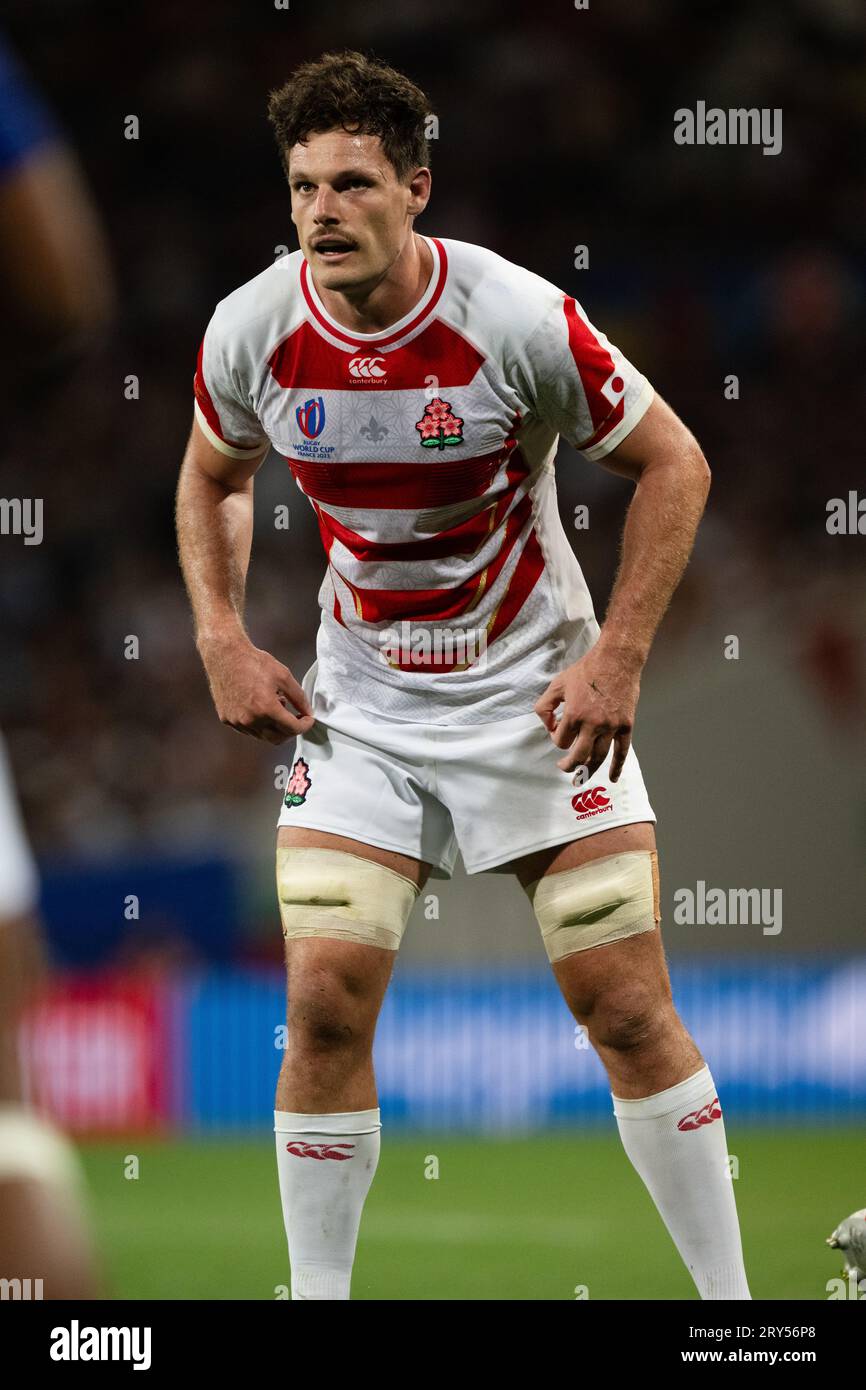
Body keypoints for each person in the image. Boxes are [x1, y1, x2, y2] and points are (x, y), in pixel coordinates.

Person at [176, 49, 749, 1301]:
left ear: (415, 188)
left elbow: (675, 463)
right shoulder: (252, 327)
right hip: (363, 710)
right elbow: (213, 475)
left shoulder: (517, 319)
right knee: (323, 1004)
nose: (319, 211)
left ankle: (735, 1318)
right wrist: (219, 632)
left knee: (624, 1009)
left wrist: (617, 656)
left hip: (533, 699)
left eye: (349, 184)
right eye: (300, 187)